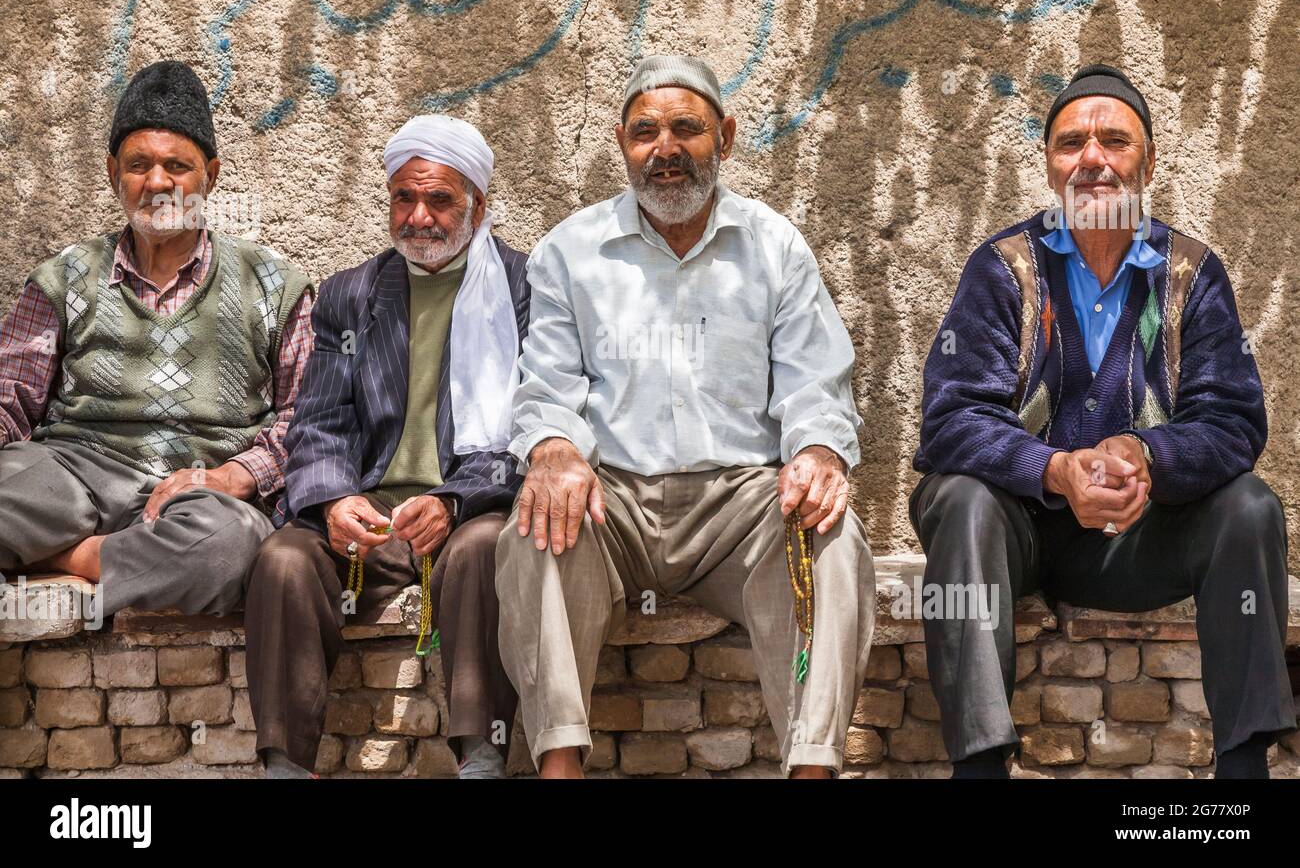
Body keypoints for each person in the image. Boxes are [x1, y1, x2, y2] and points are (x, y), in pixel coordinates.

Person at [911, 64, 1296, 779]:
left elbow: (1234, 420)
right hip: (1015, 540)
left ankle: (1244, 770)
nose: (1092, 159)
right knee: (959, 497)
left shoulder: (1191, 274)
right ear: (1051, 165)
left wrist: (1147, 454)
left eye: (1113, 141)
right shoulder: (1002, 269)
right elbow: (951, 420)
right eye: (1071, 143)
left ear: (1147, 162)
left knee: (1250, 506)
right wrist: (1055, 469)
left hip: (1135, 546)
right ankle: (980, 767)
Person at [496, 55, 876, 779]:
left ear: (725, 138)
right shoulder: (570, 252)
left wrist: (820, 451)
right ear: (622, 144)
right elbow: (547, 385)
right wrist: (552, 446)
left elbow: (814, 380)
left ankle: (814, 768)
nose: (664, 149)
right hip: (616, 506)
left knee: (832, 536)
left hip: (739, 507)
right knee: (533, 526)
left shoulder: (774, 247)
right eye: (645, 133)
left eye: (686, 130)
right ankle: (559, 767)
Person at [244, 115, 529, 779]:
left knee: (489, 548)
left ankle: (482, 758)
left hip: (468, 507)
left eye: (440, 200)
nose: (420, 216)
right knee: (283, 559)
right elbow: (317, 419)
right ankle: (285, 764)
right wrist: (334, 499)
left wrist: (455, 502)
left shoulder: (525, 287)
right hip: (369, 517)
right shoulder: (352, 294)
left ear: (478, 206)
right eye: (405, 197)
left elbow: (537, 422)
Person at [0, 60, 312, 617]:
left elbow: (305, 416)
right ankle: (116, 563)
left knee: (232, 545)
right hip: (73, 472)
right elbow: (10, 398)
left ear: (210, 176)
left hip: (196, 490)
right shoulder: (64, 277)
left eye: (178, 165)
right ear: (113, 174)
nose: (158, 182)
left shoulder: (273, 284)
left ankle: (73, 561)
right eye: (138, 164)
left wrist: (235, 474)